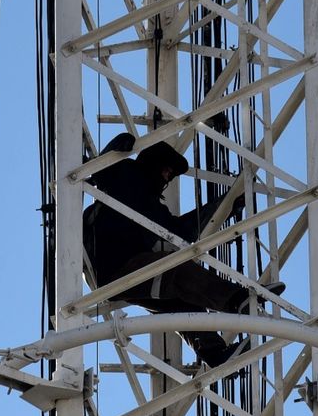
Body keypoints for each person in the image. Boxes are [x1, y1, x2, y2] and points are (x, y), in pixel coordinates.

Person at [83, 132, 284, 366]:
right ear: (153, 164)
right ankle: (237, 300)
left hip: (122, 272)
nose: (167, 177)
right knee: (174, 270)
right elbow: (97, 171)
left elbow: (180, 232)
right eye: (166, 170)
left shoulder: (154, 207)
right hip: (108, 263)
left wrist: (222, 207)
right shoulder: (126, 173)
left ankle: (214, 353)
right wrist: (117, 144)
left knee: (178, 301)